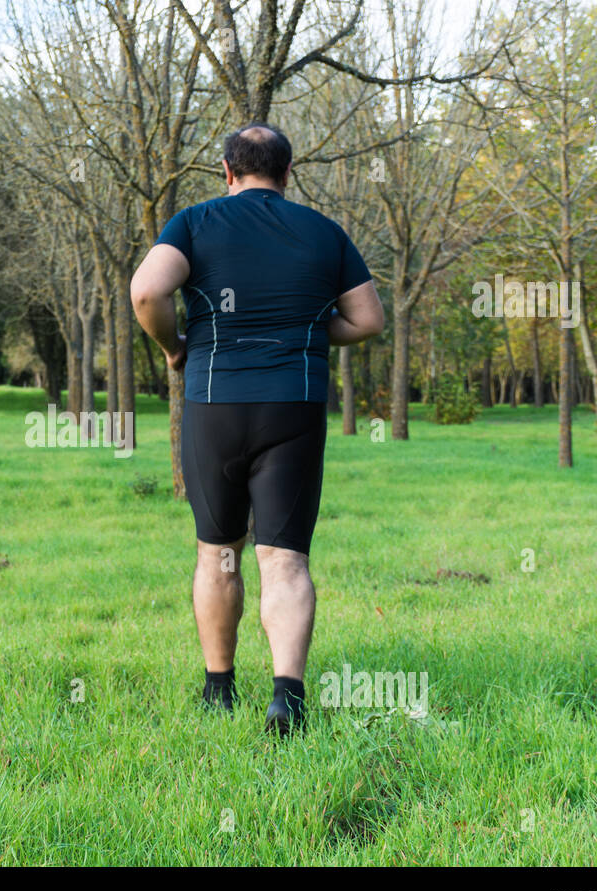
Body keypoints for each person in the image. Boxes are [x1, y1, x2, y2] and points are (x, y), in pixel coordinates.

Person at [130, 123, 385, 736]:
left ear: (226, 171)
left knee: (219, 553)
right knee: (286, 559)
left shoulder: (194, 222)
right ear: (288, 173)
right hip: (292, 404)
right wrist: (311, 331)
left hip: (215, 403)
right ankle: (287, 698)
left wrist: (173, 348)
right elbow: (369, 319)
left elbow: (146, 292)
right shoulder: (325, 232)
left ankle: (219, 689)